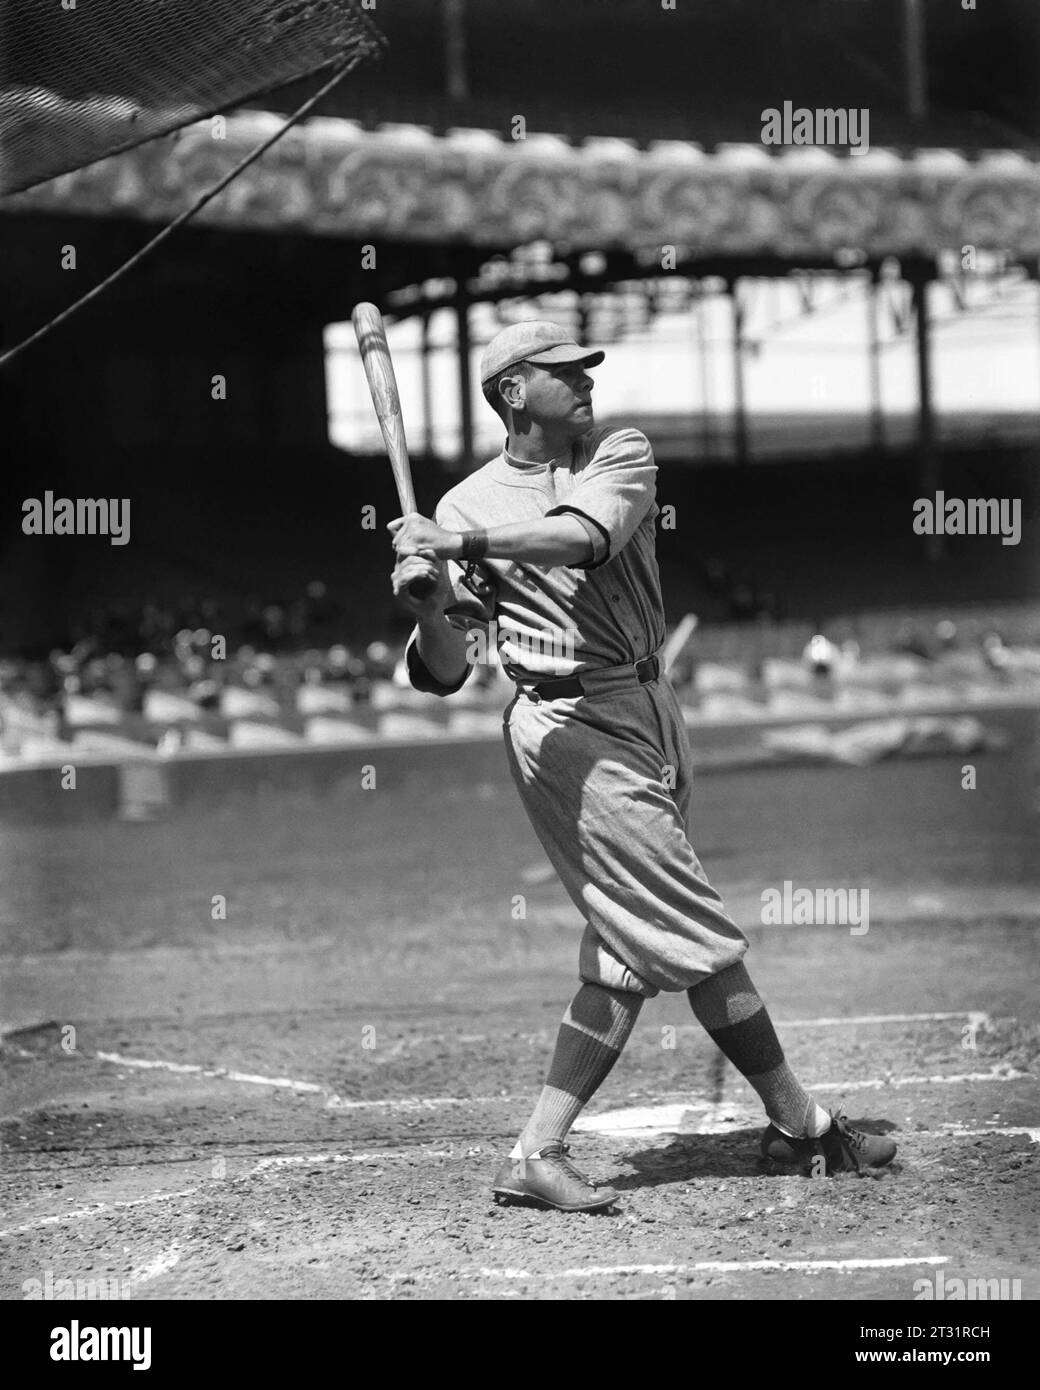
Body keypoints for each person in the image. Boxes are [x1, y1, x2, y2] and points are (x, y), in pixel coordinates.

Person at [389, 320, 896, 1212]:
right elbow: (442, 671)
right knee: (694, 928)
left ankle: (538, 1153)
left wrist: (458, 549)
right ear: (512, 391)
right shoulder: (462, 507)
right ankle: (803, 1126)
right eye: (564, 372)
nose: (587, 381)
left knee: (628, 950)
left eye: (586, 369)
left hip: (652, 707)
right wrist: (429, 601)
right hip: (568, 726)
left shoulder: (616, 454)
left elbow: (586, 537)